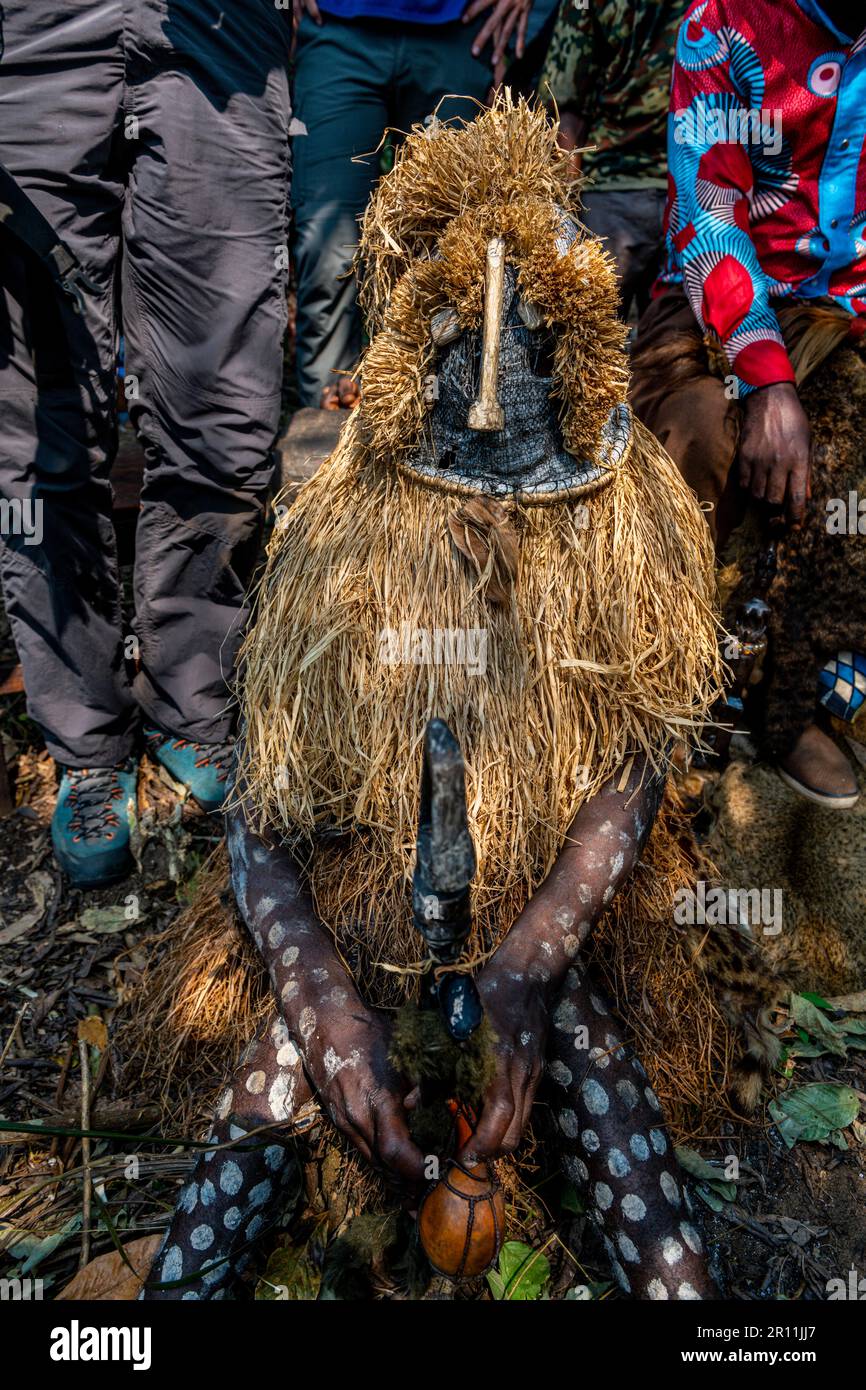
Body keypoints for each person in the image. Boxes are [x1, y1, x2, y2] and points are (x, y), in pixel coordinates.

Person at [140, 99, 727, 1301]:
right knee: (217, 1209)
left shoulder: (621, 519)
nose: (495, 525)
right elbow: (260, 816)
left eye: (533, 497)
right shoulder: (338, 529)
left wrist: (535, 951)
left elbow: (635, 756)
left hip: (523, 925)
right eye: (469, 495)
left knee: (658, 1236)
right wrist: (321, 1003)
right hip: (357, 930)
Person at [0, 1, 295, 886]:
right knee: (34, 421)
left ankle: (193, 696)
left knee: (227, 413)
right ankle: (88, 742)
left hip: (222, 37)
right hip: (31, 38)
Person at [630, 0, 866, 807]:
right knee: (706, 431)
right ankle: (671, 691)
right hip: (723, 300)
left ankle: (792, 696)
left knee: (844, 458)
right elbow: (708, 217)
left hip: (851, 307)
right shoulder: (724, 20)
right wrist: (767, 378)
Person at [291, 0, 539, 408]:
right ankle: (326, 443)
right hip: (337, 30)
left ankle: (443, 441)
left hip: (460, 32)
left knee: (455, 253)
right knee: (327, 250)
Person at [540, 0, 690, 318]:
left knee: (588, 349)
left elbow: (564, 106)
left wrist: (568, 214)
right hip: (689, 198)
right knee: (675, 357)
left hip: (610, 198)